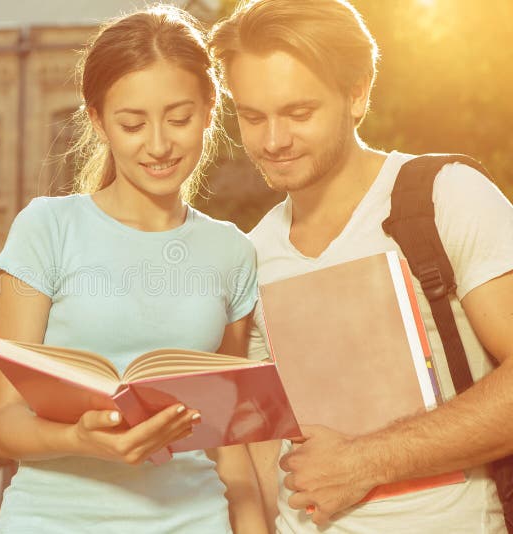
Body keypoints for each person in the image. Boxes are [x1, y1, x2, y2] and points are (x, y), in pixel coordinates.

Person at [210, 0, 513, 531]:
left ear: (357, 93)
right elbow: (262, 447)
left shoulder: (444, 198)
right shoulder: (249, 257)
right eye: (252, 116)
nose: (273, 140)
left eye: (299, 113)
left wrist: (363, 461)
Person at [0, 5, 268, 533]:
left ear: (210, 110)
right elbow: (0, 424)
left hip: (194, 519)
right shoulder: (47, 228)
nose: (158, 145)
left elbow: (230, 439)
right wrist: (78, 439)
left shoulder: (233, 252)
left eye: (179, 119)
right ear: (97, 121)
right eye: (132, 124)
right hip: (53, 520)